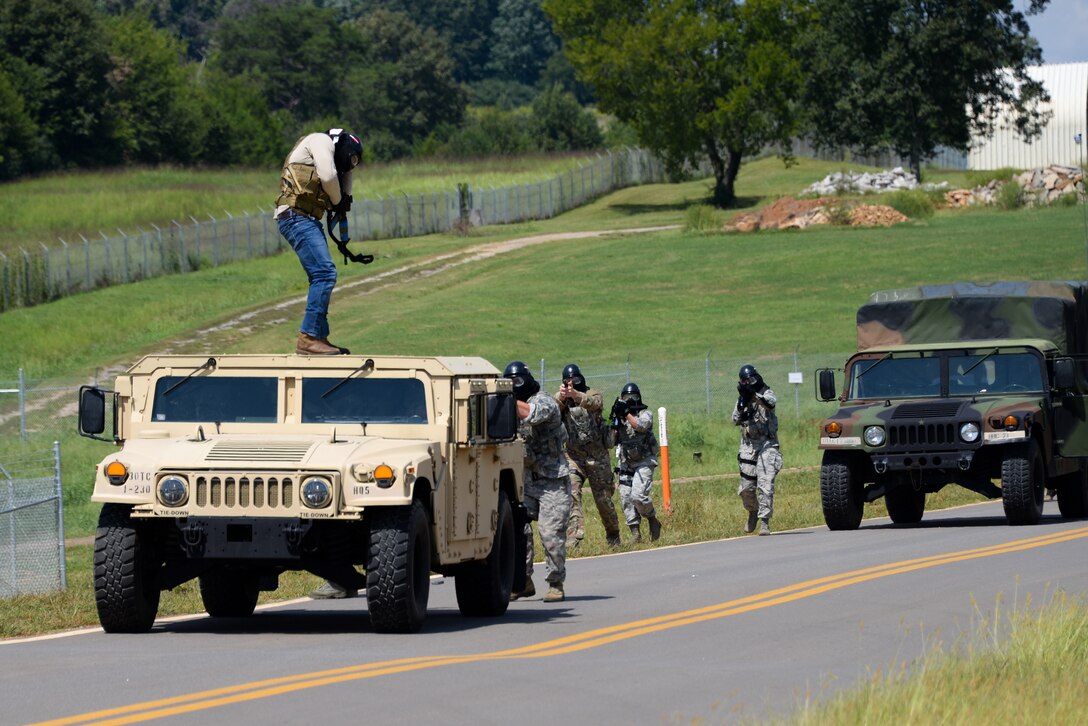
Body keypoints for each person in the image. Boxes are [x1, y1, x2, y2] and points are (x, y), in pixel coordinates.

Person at [275, 128, 362, 356]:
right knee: (324, 274)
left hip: (303, 218)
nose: (350, 166)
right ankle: (309, 338)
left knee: (321, 275)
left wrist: (343, 199)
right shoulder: (320, 140)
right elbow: (327, 176)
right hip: (296, 217)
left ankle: (319, 337)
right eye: (351, 159)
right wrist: (338, 200)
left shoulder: (323, 148)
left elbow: (339, 180)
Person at [505, 360, 571, 603]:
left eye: (517, 382)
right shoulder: (510, 408)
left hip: (553, 480)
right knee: (514, 529)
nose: (514, 386)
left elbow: (530, 414)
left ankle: (556, 583)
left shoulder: (543, 401)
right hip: (526, 481)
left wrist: (502, 399)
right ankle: (522, 581)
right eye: (509, 383)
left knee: (550, 534)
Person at [556, 363, 622, 548]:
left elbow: (596, 404)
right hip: (573, 458)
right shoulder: (562, 401)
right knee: (570, 494)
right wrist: (562, 398)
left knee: (603, 500)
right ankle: (573, 539)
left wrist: (576, 396)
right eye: (568, 382)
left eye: (574, 381)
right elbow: (551, 410)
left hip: (597, 457)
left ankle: (613, 535)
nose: (571, 385)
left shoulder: (592, 393)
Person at [732, 364, 782, 536]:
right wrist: (742, 404)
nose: (749, 383)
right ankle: (752, 511)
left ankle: (765, 522)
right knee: (746, 488)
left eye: (751, 379)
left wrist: (755, 396)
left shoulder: (766, 392)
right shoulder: (742, 398)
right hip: (749, 446)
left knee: (765, 484)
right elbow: (735, 419)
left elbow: (770, 403)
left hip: (767, 445)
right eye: (746, 381)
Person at [611, 382, 662, 543]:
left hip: (644, 460)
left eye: (634, 397)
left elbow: (640, 426)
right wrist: (615, 420)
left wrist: (626, 413)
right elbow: (611, 441)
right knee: (626, 497)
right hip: (626, 462)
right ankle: (635, 533)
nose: (631, 400)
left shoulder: (646, 414)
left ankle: (652, 519)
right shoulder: (622, 418)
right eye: (627, 398)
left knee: (638, 495)